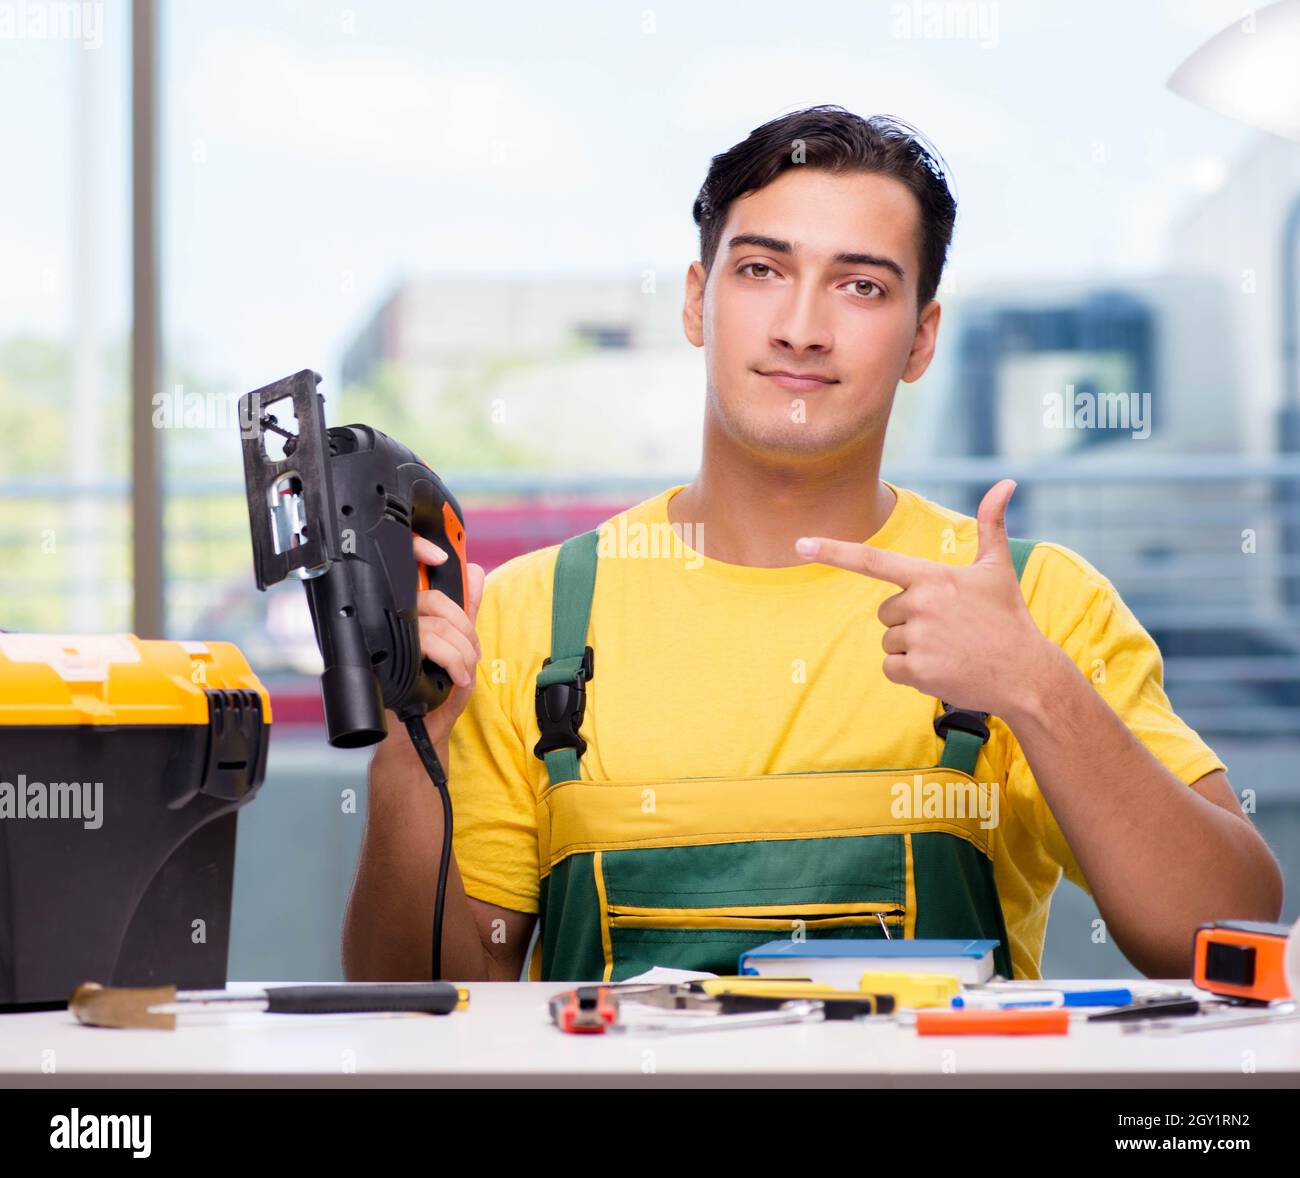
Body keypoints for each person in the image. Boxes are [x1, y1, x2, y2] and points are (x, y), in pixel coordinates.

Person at [342, 105, 1282, 984]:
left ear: (921, 340)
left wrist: (1037, 688)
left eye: (861, 286)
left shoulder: (1033, 602)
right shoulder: (533, 613)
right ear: (696, 302)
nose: (801, 328)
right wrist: (408, 754)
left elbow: (1224, 932)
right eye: (760, 271)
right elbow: (428, 1001)